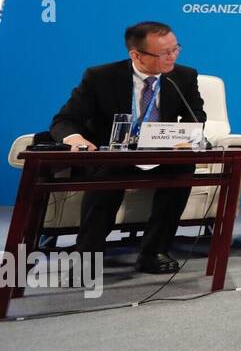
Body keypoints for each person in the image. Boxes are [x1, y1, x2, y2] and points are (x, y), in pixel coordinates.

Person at [49, 21, 205, 274]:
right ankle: (87, 257)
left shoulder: (184, 76)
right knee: (107, 175)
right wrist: (74, 139)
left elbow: (195, 115)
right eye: (165, 52)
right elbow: (64, 120)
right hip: (113, 156)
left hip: (159, 156)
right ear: (137, 55)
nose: (173, 56)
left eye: (176, 49)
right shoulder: (101, 77)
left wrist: (188, 137)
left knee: (183, 167)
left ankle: (154, 252)